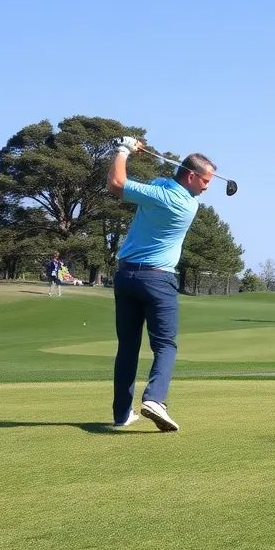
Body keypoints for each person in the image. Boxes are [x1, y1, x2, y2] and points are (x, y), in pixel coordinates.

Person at [106, 136, 215, 431]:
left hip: (125, 277)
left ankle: (121, 416)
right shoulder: (181, 201)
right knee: (165, 345)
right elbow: (117, 184)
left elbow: (128, 181)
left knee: (127, 348)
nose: (207, 187)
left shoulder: (160, 189)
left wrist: (126, 152)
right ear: (191, 177)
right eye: (205, 181)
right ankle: (155, 399)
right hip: (157, 280)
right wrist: (124, 152)